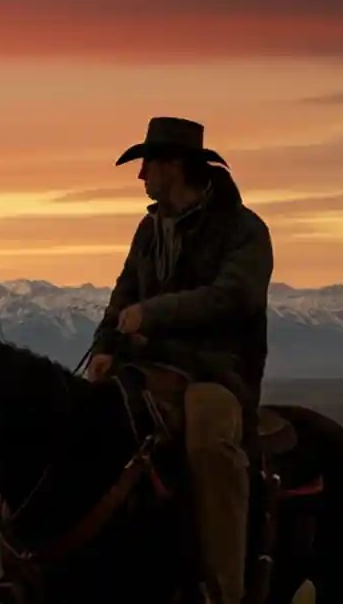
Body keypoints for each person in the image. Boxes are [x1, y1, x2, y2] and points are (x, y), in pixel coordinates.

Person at [87, 116, 274, 604]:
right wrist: (106, 346)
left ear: (175, 166)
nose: (141, 175)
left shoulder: (244, 229)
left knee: (210, 442)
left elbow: (234, 297)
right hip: (148, 368)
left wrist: (153, 312)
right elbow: (122, 292)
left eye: (147, 163)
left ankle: (225, 590)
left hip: (217, 371)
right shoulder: (148, 231)